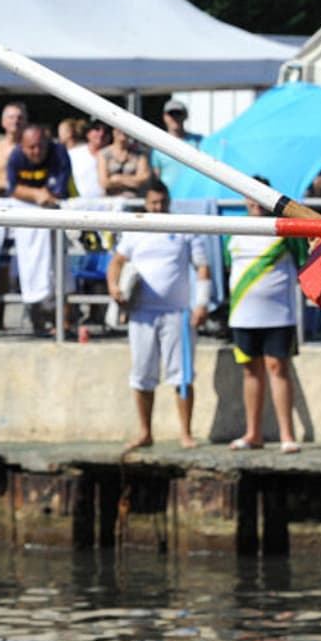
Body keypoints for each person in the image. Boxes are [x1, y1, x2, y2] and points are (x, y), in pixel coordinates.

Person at [108, 182, 211, 451]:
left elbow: (202, 267)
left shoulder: (184, 228)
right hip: (142, 313)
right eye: (153, 203)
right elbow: (116, 263)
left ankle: (186, 433)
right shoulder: (135, 230)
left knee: (182, 375)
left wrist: (201, 303)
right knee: (142, 374)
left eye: (162, 202)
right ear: (145, 203)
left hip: (177, 313)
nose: (158, 208)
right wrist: (114, 287)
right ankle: (145, 432)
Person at [226, 188, 303, 452]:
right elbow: (227, 265)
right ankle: (253, 434)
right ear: (245, 200)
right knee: (251, 371)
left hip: (279, 314)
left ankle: (287, 435)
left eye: (260, 197)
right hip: (242, 314)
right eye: (251, 196)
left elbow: (302, 260)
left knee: (277, 368)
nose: (255, 202)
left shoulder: (283, 229)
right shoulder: (234, 230)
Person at [7, 123, 74, 335]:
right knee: (31, 267)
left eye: (40, 146)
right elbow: (12, 189)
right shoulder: (16, 156)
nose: (36, 152)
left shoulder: (58, 153)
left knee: (62, 271)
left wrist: (37, 195)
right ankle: (37, 323)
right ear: (22, 146)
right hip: (33, 221)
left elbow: (59, 192)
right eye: (31, 147)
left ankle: (64, 323)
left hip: (59, 220)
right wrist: (36, 194)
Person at [97, 126, 153, 197]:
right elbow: (104, 183)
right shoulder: (103, 154)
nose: (123, 132)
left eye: (125, 128)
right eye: (119, 128)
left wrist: (117, 179)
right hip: (110, 203)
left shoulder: (140, 154)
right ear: (113, 130)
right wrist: (132, 180)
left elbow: (142, 181)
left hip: (135, 202)